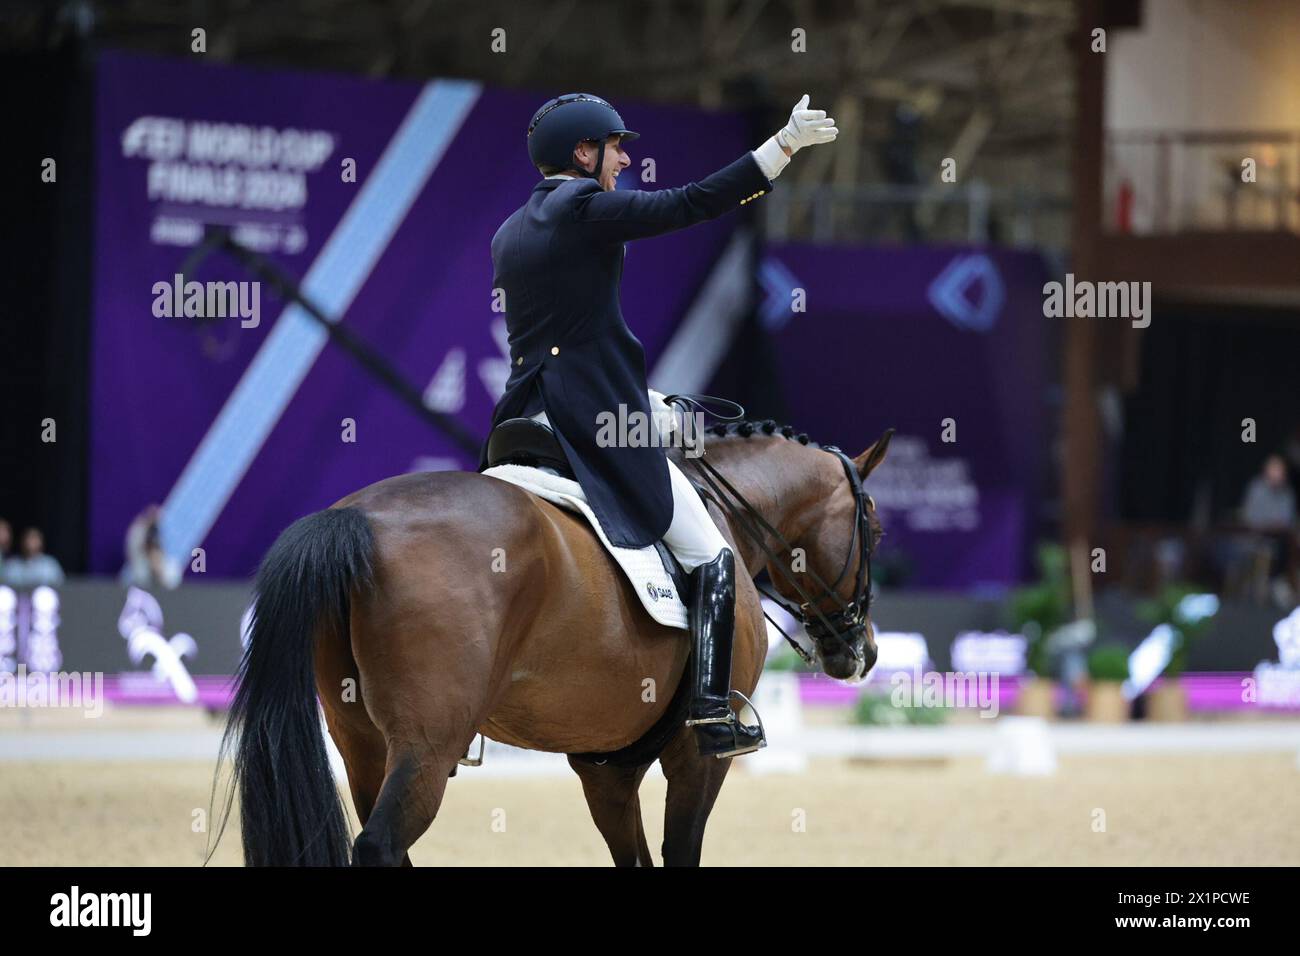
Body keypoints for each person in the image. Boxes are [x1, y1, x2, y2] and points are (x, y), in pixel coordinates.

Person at [481, 92, 837, 758]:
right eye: (615, 146)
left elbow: (567, 342)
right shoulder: (584, 207)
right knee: (713, 554)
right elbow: (693, 201)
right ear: (583, 154)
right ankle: (711, 710)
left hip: (522, 420)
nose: (625, 157)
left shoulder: (508, 232)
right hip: (590, 423)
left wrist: (644, 400)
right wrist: (781, 146)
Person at [1239, 454, 1298, 605]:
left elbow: (1286, 520)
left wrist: (1275, 525)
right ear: (1266, 470)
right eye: (1273, 469)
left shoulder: (1287, 493)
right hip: (1255, 538)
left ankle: (1281, 584)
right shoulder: (1256, 488)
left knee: (1289, 543)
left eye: (1280, 470)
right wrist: (1269, 524)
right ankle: (1278, 584)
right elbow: (1250, 517)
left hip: (1279, 539)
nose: (1277, 473)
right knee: (1280, 546)